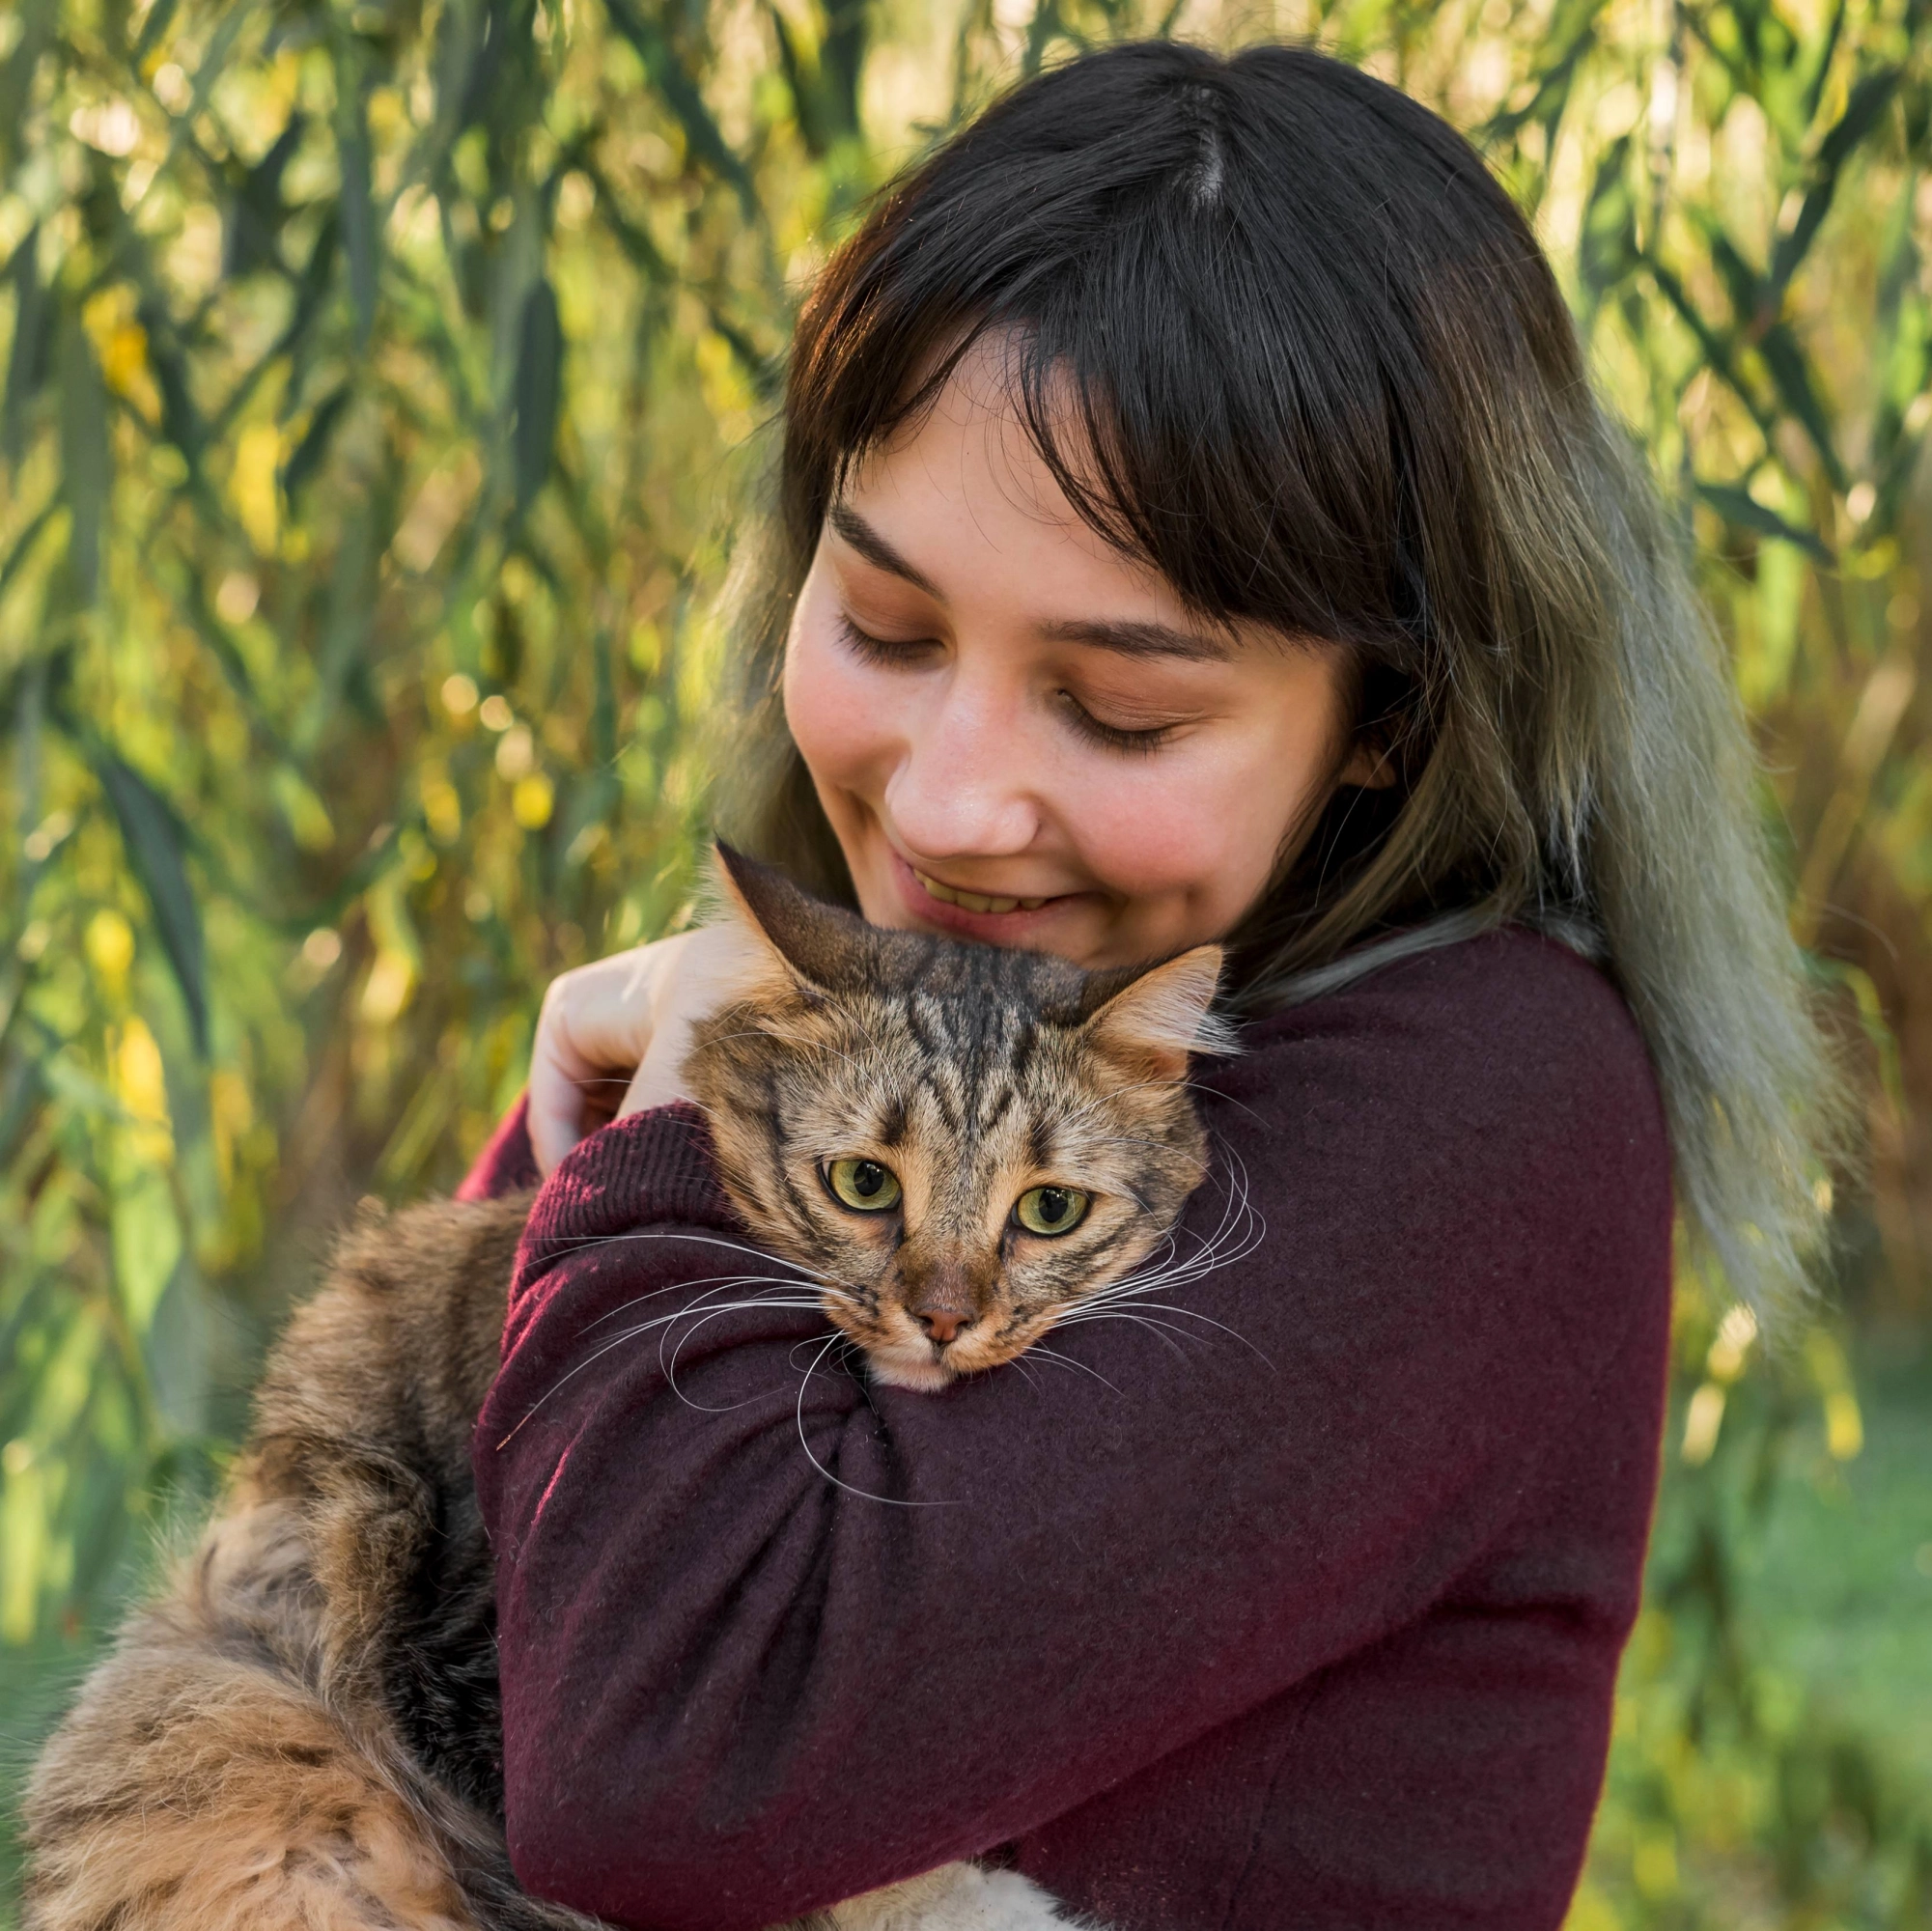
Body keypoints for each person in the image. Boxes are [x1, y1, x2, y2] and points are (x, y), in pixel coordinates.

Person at [458, 40, 1841, 1931]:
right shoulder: (896, 1017)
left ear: (1387, 721)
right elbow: (387, 1611)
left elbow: (651, 1758)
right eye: (880, 621)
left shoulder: (1486, 1102)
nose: (948, 798)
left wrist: (698, 1093)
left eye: (1116, 705)